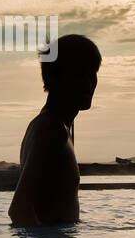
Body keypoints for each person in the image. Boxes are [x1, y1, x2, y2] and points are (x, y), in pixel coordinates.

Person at [8, 34, 101, 227]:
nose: (89, 83)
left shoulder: (56, 126)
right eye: (79, 75)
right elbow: (19, 209)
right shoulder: (50, 130)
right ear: (57, 79)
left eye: (92, 73)